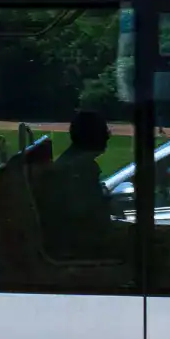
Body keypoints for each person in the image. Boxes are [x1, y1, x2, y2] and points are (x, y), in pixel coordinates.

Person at [37, 111, 118, 259]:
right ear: (94, 136)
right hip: (81, 254)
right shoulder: (81, 168)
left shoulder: (69, 164)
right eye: (104, 132)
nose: (107, 136)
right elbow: (86, 219)